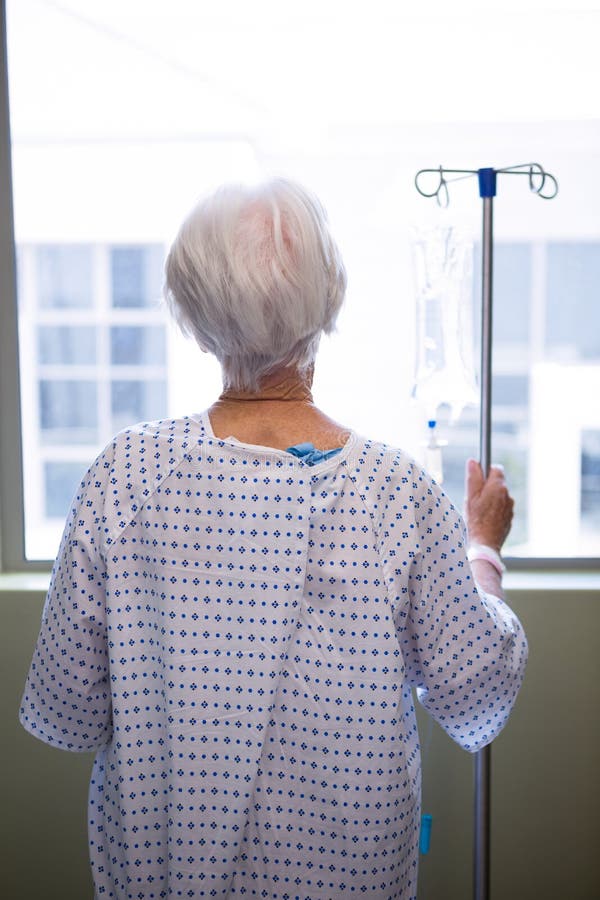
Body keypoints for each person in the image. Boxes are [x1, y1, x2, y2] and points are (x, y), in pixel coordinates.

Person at [20, 177, 528, 900]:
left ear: (193, 313)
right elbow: (477, 693)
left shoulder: (124, 478)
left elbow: (69, 709)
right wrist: (482, 548)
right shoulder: (396, 494)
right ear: (328, 301)